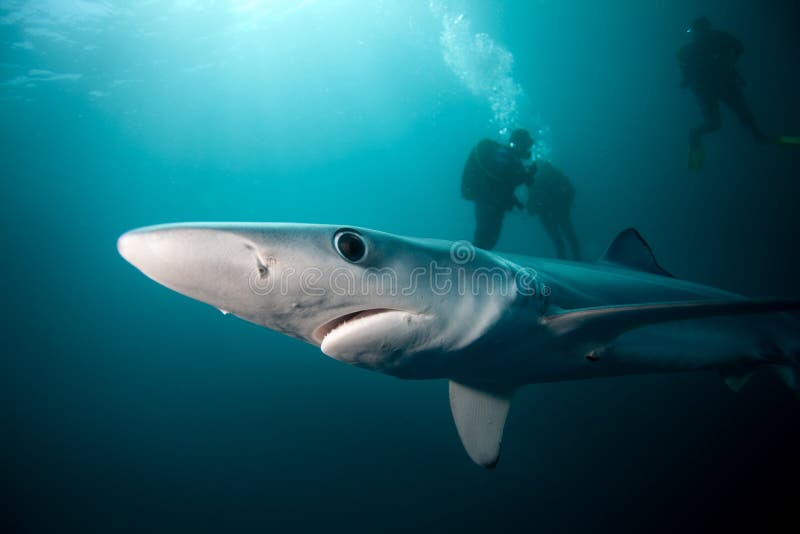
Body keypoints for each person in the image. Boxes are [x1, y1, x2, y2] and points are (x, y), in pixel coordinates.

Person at [678, 16, 768, 169]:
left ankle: (757, 135)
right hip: (716, 86)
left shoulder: (693, 48)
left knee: (723, 120)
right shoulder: (709, 41)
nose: (698, 34)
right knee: (736, 115)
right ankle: (758, 135)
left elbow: (738, 47)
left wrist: (729, 59)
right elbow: (739, 47)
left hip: (713, 86)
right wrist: (730, 59)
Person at [461, 129, 536, 250]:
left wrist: (516, 202)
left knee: (486, 240)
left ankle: (470, 264)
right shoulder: (504, 155)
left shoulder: (509, 157)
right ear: (519, 143)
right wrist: (525, 177)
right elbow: (501, 177)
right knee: (485, 240)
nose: (528, 149)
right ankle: (468, 265)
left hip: (490, 202)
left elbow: (503, 184)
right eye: (526, 145)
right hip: (490, 203)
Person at [526, 161, 582, 261]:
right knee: (564, 235)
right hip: (552, 211)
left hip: (554, 210)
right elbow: (571, 190)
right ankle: (572, 257)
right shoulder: (554, 175)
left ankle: (569, 257)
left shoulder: (542, 177)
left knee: (560, 236)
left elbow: (570, 190)